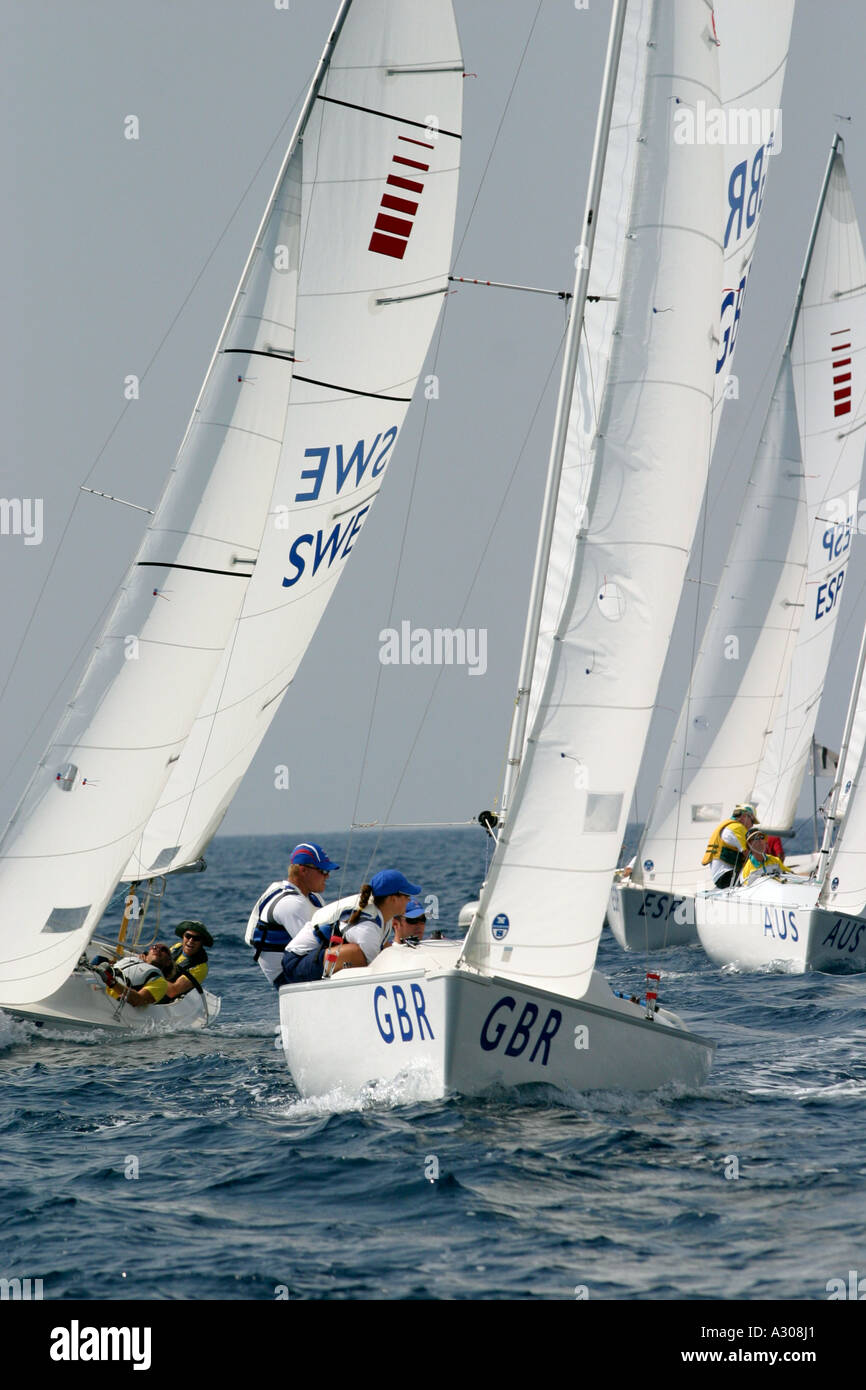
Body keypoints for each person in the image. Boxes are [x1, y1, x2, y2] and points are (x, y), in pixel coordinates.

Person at [273, 869, 422, 986]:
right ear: (392, 899)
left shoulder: (384, 918)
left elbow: (385, 950)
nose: (409, 899)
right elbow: (374, 967)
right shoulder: (368, 926)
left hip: (316, 958)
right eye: (406, 895)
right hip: (296, 964)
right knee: (356, 954)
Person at [245, 842, 340, 984]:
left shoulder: (313, 898)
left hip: (303, 964)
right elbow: (315, 946)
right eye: (323, 871)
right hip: (288, 976)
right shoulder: (291, 904)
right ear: (303, 871)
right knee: (351, 953)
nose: (327, 876)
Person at [95, 943, 174, 1008]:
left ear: (168, 962)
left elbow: (138, 1000)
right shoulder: (132, 960)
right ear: (147, 954)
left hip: (111, 1003)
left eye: (164, 950)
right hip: (96, 986)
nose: (158, 949)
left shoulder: (160, 982)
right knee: (99, 959)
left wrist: (111, 982)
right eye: (155, 947)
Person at [701, 804, 757, 888]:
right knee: (760, 881)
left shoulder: (728, 826)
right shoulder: (738, 828)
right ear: (745, 816)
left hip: (720, 877)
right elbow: (750, 856)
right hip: (726, 876)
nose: (752, 825)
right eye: (752, 821)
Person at [161, 920, 213, 1000]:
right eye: (188, 936)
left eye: (196, 938)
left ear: (202, 942)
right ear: (183, 936)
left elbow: (173, 991)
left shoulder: (200, 967)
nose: (191, 940)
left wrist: (153, 974)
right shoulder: (177, 947)